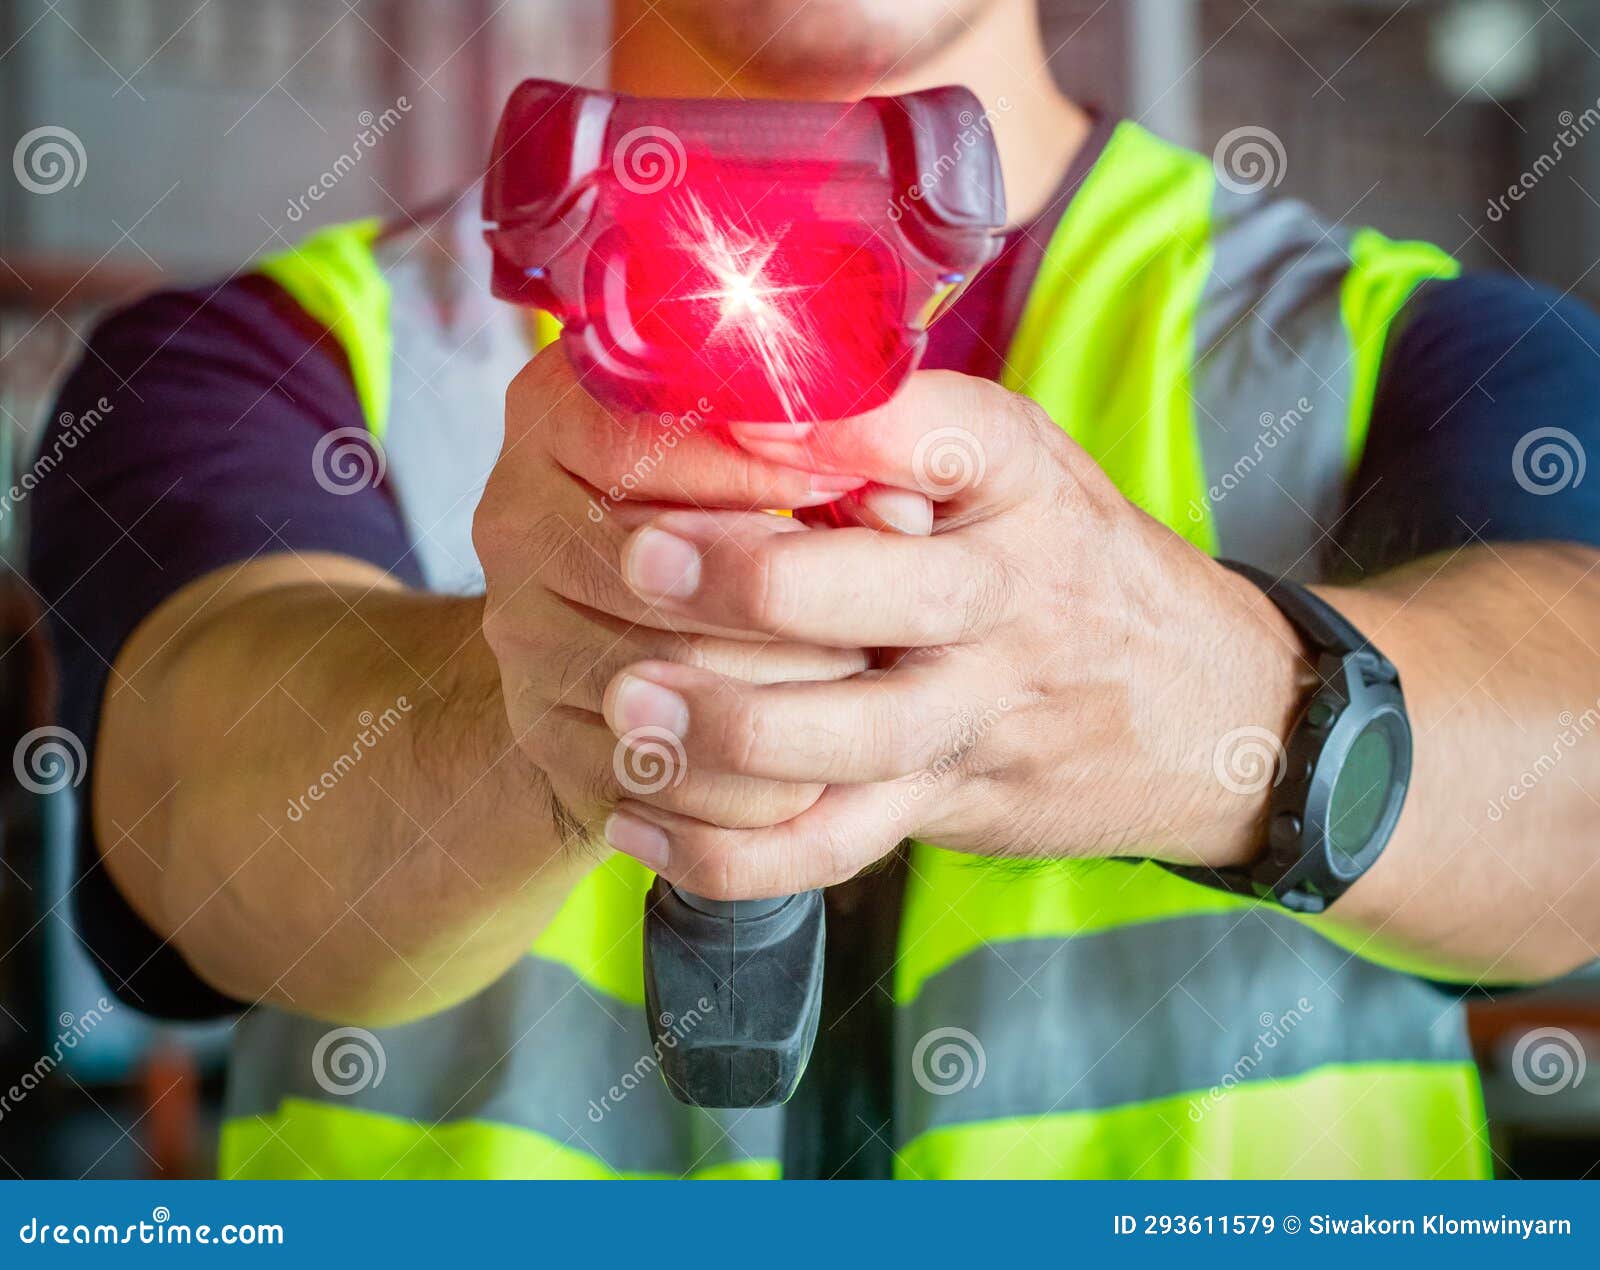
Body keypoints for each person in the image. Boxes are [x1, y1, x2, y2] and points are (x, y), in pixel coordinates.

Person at [28, 0, 1600, 1180]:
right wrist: (544, 701)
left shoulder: (1419, 342)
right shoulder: (253, 361)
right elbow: (199, 823)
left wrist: (1230, 700)